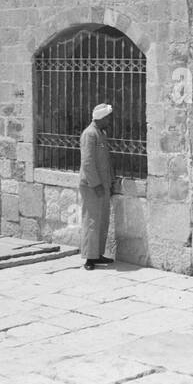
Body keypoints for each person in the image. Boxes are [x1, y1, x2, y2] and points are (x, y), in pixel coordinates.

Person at [78, 103, 117, 271]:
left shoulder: (101, 133)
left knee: (102, 220)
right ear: (101, 118)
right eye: (107, 117)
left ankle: (97, 253)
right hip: (92, 186)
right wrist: (96, 184)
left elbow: (105, 161)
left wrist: (110, 181)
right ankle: (89, 257)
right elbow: (87, 163)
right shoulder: (90, 134)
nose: (109, 120)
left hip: (103, 184)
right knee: (92, 220)